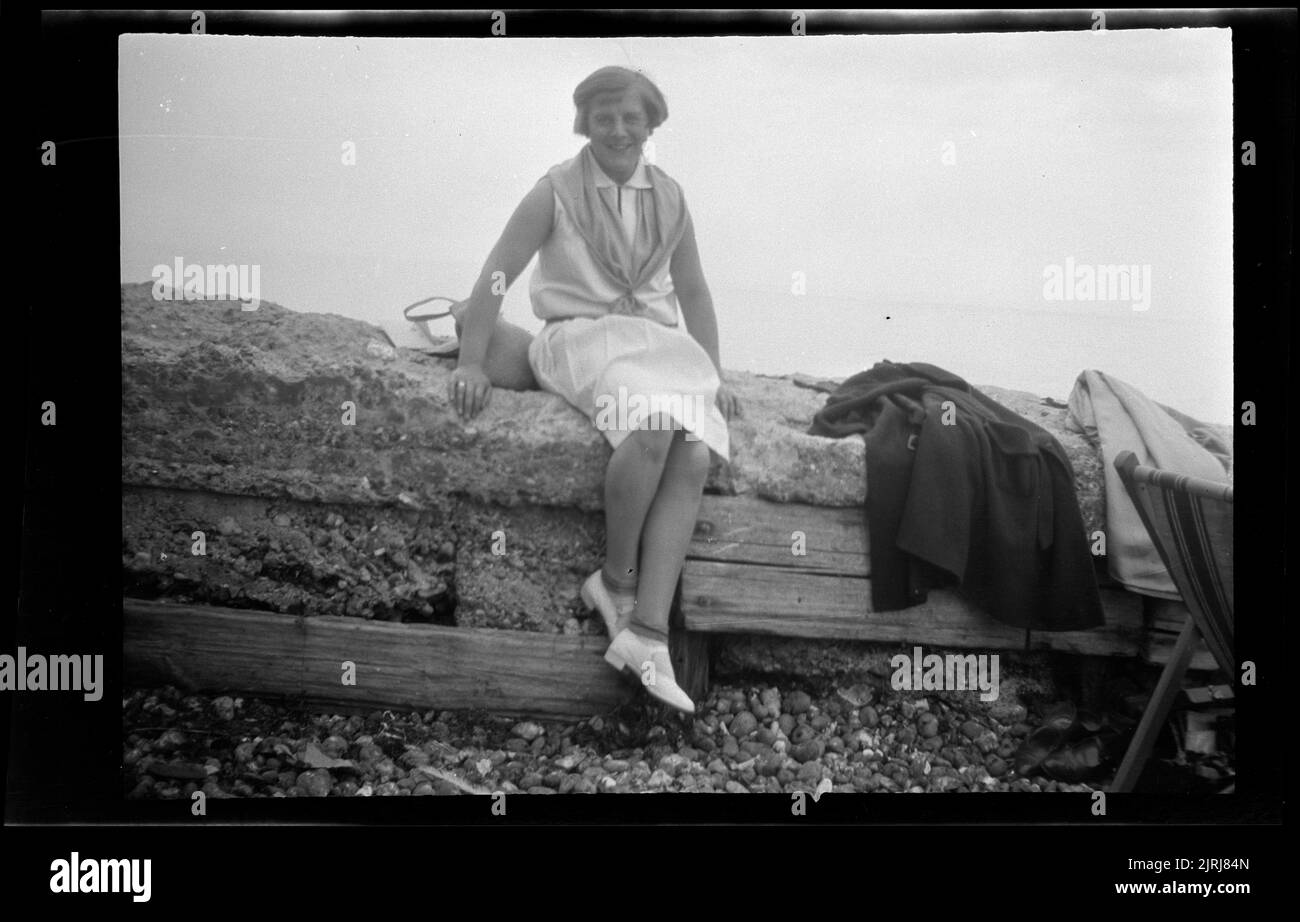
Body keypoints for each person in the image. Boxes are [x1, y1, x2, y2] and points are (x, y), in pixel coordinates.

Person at [446, 65, 741, 714]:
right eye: (604, 117)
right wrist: (471, 362)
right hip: (581, 342)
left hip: (658, 348)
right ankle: (614, 582)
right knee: (655, 426)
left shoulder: (670, 197)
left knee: (693, 452)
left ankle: (647, 635)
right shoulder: (555, 190)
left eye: (631, 117)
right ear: (585, 122)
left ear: (650, 125)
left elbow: (692, 293)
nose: (618, 130)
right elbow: (498, 273)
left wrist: (713, 376)